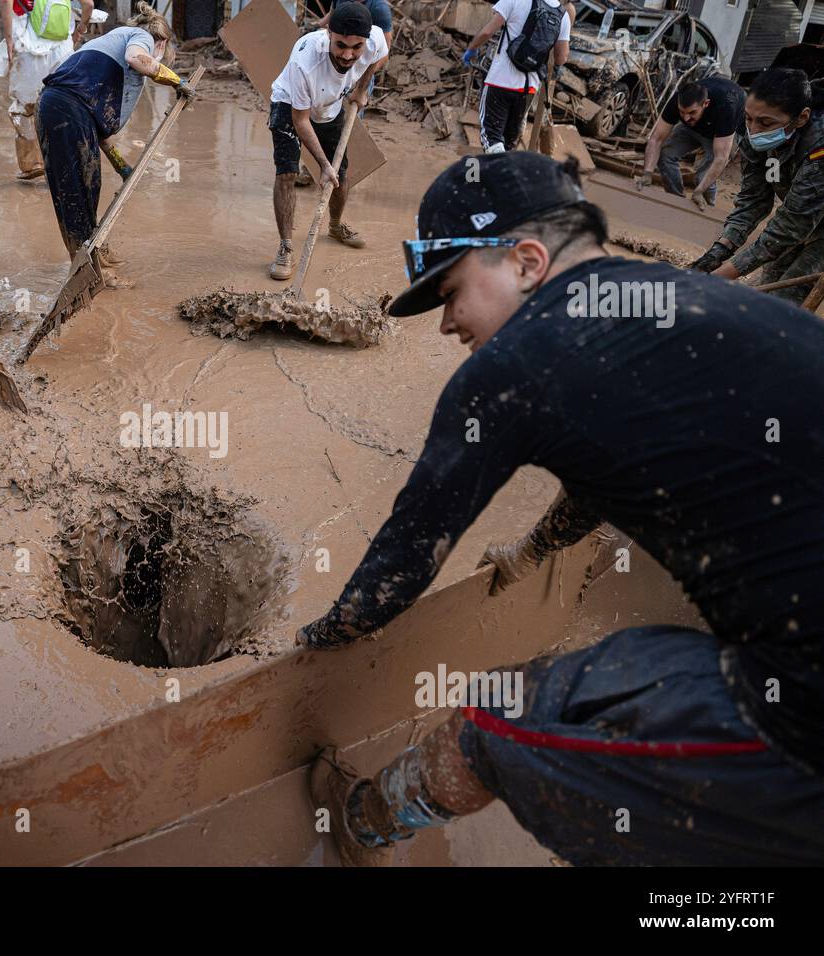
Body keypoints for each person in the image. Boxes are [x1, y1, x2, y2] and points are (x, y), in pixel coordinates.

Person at [300, 151, 824, 866]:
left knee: (497, 722)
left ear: (525, 261)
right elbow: (606, 468)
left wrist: (327, 634)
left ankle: (359, 830)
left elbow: (404, 557)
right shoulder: (672, 303)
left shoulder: (512, 366)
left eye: (452, 292)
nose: (448, 324)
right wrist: (535, 548)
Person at [35, 2, 192, 284]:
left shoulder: (111, 46)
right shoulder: (141, 37)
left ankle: (90, 258)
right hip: (66, 110)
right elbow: (137, 59)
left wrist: (123, 168)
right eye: (164, 58)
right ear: (163, 43)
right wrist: (174, 79)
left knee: (86, 188)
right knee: (77, 193)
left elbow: (101, 136)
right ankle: (86, 272)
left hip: (61, 110)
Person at [266, 2, 387, 280]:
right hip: (290, 104)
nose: (348, 54)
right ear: (329, 34)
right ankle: (285, 247)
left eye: (356, 48)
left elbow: (383, 56)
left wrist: (362, 87)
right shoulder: (305, 62)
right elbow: (301, 120)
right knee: (287, 172)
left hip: (331, 106)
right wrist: (321, 164)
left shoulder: (375, 41)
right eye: (341, 45)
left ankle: (335, 226)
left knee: (341, 172)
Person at [691, 68, 824, 307]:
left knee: (784, 302)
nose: (753, 130)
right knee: (763, 289)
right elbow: (753, 201)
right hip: (803, 218)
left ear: (802, 118)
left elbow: (790, 228)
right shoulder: (756, 135)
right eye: (748, 118)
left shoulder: (819, 148)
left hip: (813, 224)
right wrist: (716, 254)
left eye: (765, 122)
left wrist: (715, 278)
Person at [0, 0, 93, 181]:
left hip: (28, 44)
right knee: (62, 106)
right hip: (62, 46)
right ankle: (64, 168)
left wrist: (9, 39)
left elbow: (6, 3)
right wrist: (80, 30)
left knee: (24, 108)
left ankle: (32, 164)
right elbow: (89, 5)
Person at [461, 0, 570, 154]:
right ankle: (506, 173)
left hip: (500, 81)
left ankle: (497, 175)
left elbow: (487, 32)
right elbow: (561, 57)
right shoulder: (562, 14)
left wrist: (471, 49)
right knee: (509, 141)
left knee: (491, 138)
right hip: (528, 88)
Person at [635, 76, 744, 207]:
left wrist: (699, 191)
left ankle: (706, 209)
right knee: (666, 153)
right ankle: (677, 201)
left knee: (702, 177)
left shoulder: (726, 108)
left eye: (692, 112)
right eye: (682, 112)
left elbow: (721, 158)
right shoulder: (677, 101)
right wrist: (647, 172)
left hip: (725, 133)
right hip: (695, 128)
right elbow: (656, 139)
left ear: (706, 104)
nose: (686, 118)